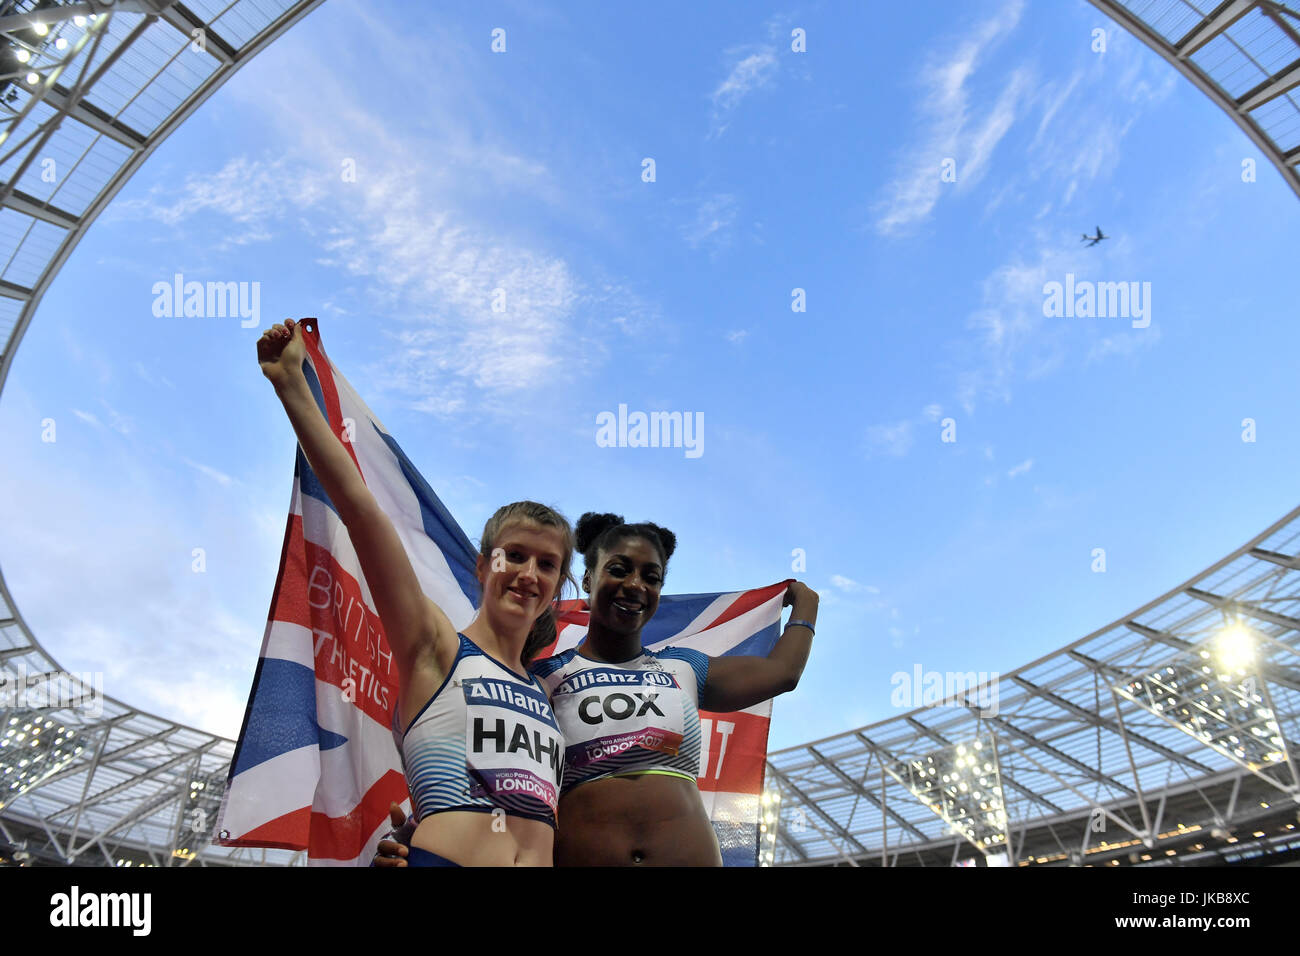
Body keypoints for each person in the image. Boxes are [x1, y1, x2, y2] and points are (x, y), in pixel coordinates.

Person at [258, 318, 573, 866]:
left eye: (547, 564)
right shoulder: (434, 644)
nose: (528, 572)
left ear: (556, 587)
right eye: (514, 555)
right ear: (483, 565)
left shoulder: (547, 695)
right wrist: (292, 390)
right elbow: (362, 513)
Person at [376, 511, 818, 865]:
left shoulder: (684, 667)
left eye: (651, 577)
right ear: (587, 580)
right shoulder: (540, 678)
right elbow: (488, 761)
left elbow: (782, 674)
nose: (635, 586)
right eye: (620, 569)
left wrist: (806, 606)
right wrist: (426, 834)